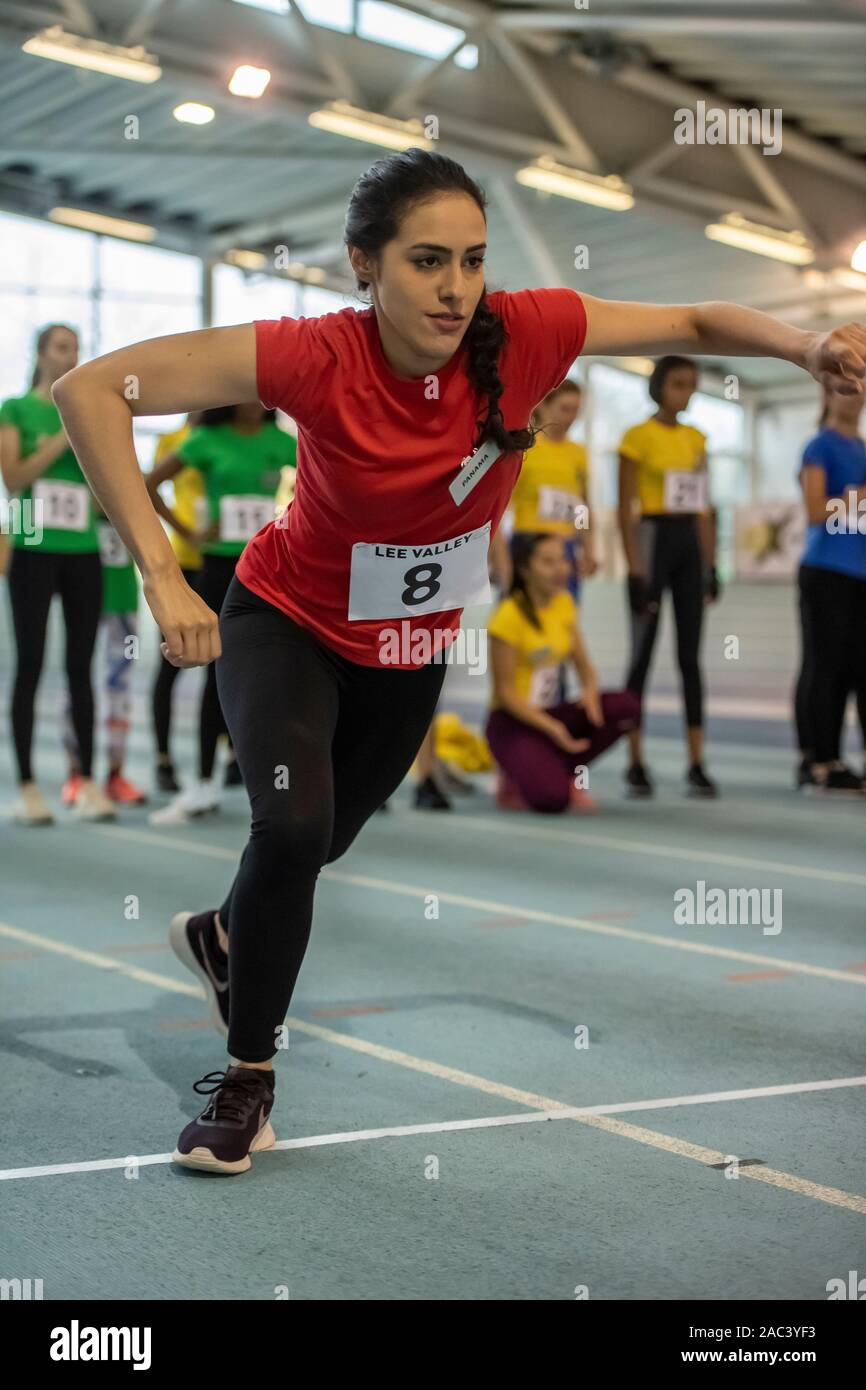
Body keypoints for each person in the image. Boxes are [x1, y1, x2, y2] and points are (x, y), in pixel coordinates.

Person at [50, 148, 866, 1174]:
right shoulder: (310, 353)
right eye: (426, 261)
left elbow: (695, 323)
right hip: (286, 619)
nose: (453, 287)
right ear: (364, 265)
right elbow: (90, 390)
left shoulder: (524, 332)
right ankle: (248, 1079)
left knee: (308, 852)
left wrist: (802, 347)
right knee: (291, 827)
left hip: (408, 650)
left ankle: (226, 938)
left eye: (471, 260)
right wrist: (163, 575)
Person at [145, 404, 296, 824]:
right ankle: (203, 781)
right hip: (218, 570)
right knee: (216, 672)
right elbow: (148, 484)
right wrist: (187, 529)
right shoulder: (206, 440)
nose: (253, 400)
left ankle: (271, 782)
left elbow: (328, 476)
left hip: (267, 569)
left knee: (270, 675)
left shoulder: (281, 441)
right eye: (243, 391)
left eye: (259, 392)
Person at [0, 324, 115, 825]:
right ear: (42, 353)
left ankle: (86, 781)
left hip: (82, 547)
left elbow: (105, 481)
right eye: (63, 348)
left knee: (81, 666)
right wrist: (62, 435)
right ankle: (26, 784)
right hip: (31, 542)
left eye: (77, 349)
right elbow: (14, 479)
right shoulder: (18, 410)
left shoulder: (90, 410)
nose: (72, 357)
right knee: (29, 662)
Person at [617, 355, 720, 800]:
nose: (687, 392)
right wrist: (635, 569)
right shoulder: (636, 438)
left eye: (692, 385)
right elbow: (625, 508)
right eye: (678, 383)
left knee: (690, 658)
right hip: (652, 542)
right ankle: (634, 760)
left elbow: (704, 507)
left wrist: (712, 564)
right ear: (659, 386)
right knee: (642, 655)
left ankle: (697, 762)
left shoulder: (698, 438)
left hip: (688, 548)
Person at [487, 532, 638, 812]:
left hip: (551, 713)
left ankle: (561, 768)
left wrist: (590, 693)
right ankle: (515, 773)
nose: (561, 569)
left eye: (563, 560)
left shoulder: (564, 603)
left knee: (624, 706)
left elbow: (584, 666)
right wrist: (554, 729)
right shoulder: (507, 617)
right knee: (551, 800)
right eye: (548, 562)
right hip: (513, 723)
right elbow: (506, 694)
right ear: (525, 570)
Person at [794, 388, 866, 793]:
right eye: (845, 390)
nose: (855, 397)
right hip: (825, 570)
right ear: (826, 395)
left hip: (860, 573)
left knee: (860, 670)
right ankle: (817, 760)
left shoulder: (864, 449)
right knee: (824, 667)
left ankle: (840, 760)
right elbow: (816, 509)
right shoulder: (819, 445)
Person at [60, 503, 148, 805]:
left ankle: (115, 775)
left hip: (123, 598)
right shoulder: (71, 465)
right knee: (76, 679)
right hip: (79, 594)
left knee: (120, 688)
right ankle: (75, 773)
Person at [149, 411, 207, 794]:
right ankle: (163, 758)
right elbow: (148, 490)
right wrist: (187, 530)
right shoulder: (174, 441)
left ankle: (228, 758)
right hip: (184, 560)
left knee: (224, 666)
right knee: (171, 662)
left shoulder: (229, 434)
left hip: (228, 561)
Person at [509, 378, 595, 602]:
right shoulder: (524, 449)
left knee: (564, 616)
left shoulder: (578, 453)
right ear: (543, 406)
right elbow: (503, 504)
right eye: (565, 409)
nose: (571, 417)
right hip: (528, 543)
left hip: (565, 546)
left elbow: (581, 506)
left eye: (576, 410)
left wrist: (588, 547)